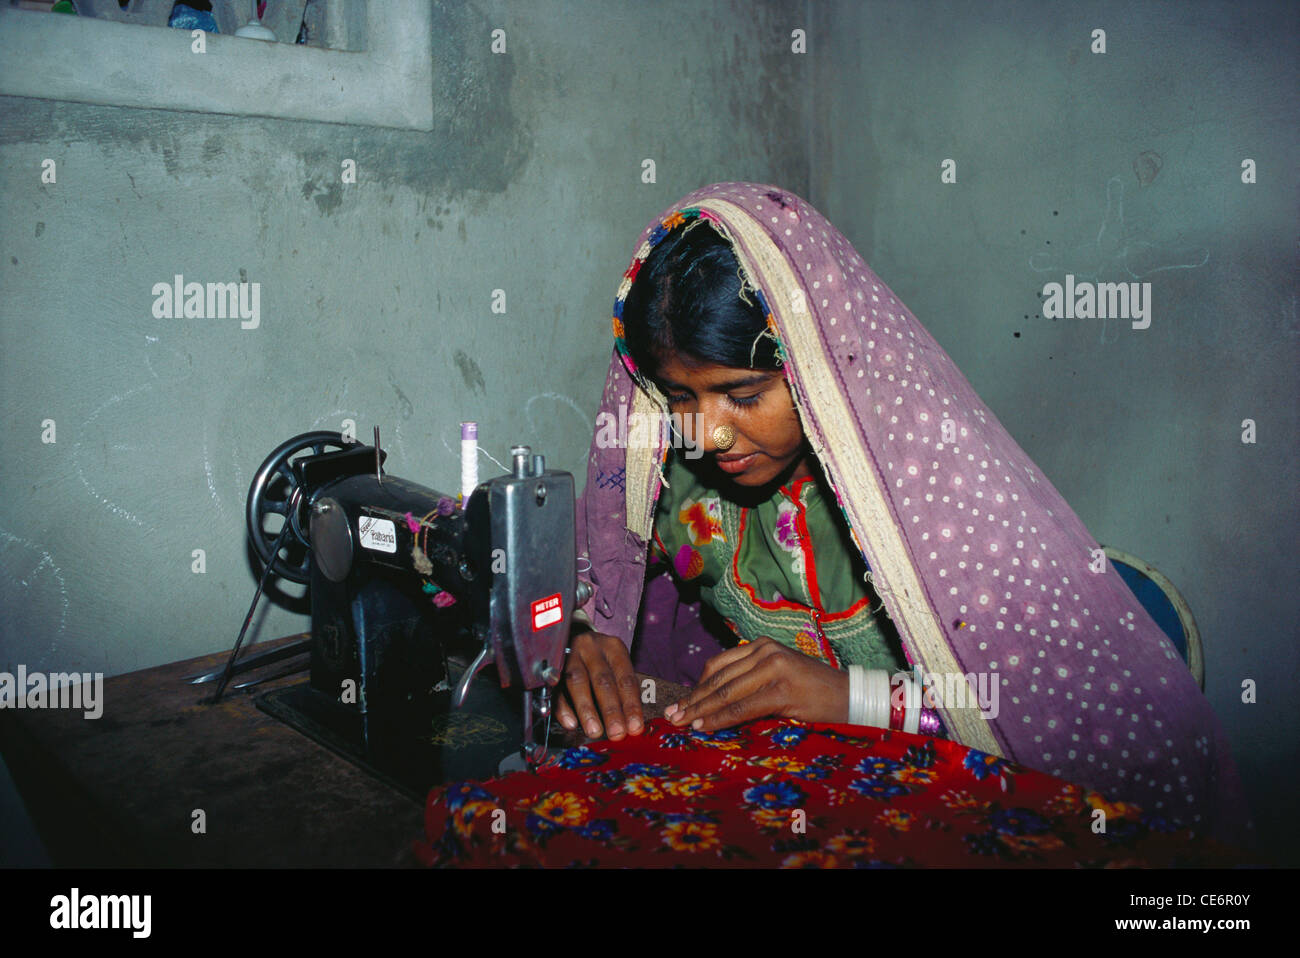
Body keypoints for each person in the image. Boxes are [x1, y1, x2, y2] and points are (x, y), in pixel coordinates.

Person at [557, 182, 1251, 848]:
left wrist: (852, 697)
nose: (706, 433)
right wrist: (582, 635)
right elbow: (589, 577)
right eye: (678, 396)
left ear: (814, 361)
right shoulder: (671, 488)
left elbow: (1064, 723)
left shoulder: (933, 491)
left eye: (743, 394)